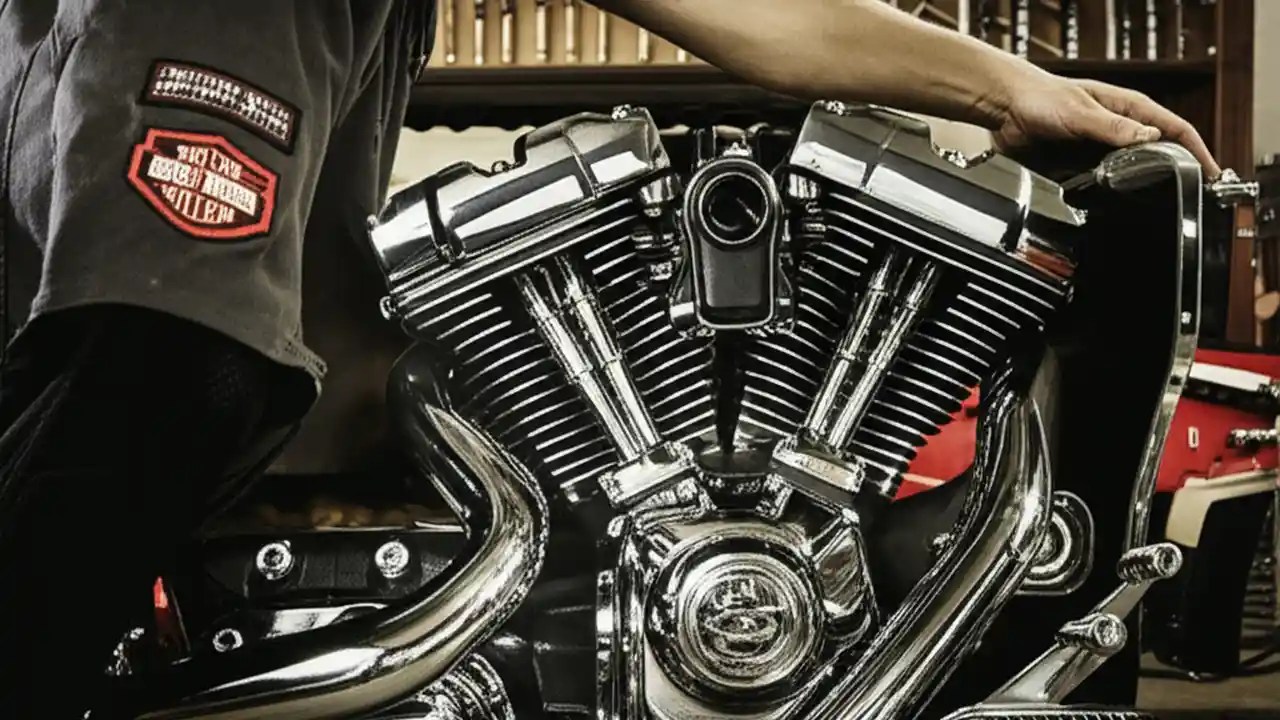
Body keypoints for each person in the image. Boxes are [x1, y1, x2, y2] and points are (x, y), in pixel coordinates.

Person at [0, 0, 1219, 716]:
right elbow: (158, 356)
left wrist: (1000, 81)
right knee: (166, 371)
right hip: (165, 349)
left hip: (229, 380)